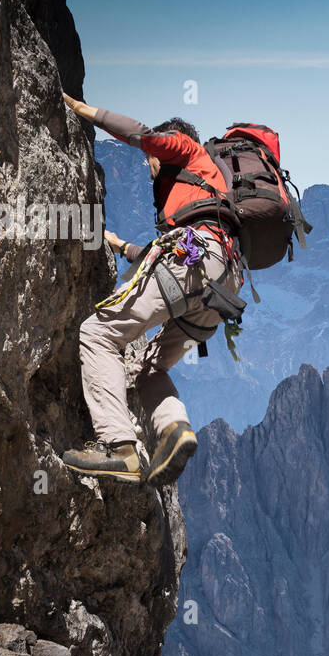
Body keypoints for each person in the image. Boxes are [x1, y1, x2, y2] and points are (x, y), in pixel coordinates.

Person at [59, 92, 244, 486]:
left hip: (195, 263)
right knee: (149, 367)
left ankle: (118, 448)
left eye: (151, 160)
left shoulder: (187, 149)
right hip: (222, 286)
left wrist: (82, 111)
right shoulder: (212, 191)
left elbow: (140, 134)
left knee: (97, 334)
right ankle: (175, 428)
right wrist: (121, 246)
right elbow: (174, 261)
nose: (149, 167)